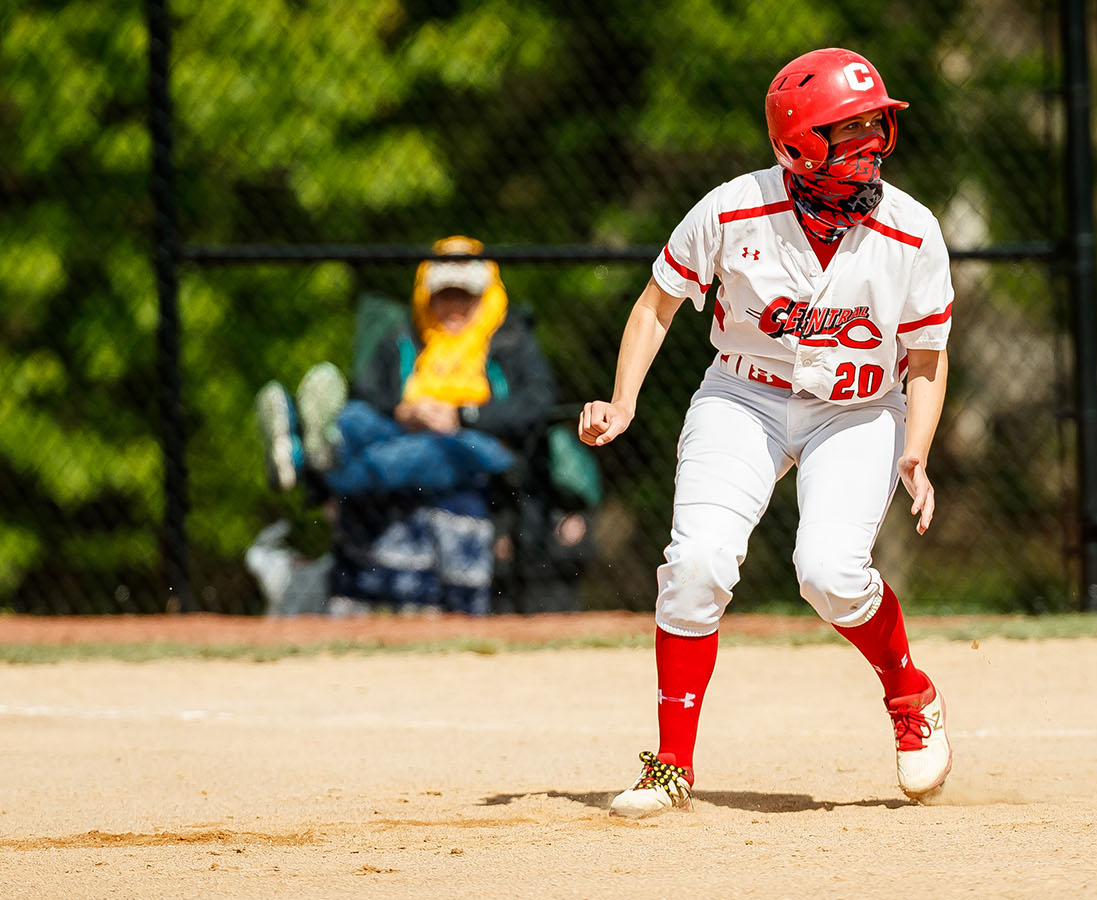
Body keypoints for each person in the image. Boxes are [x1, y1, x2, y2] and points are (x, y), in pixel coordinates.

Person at [578, 48, 956, 818]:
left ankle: (909, 692)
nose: (870, 142)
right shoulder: (732, 209)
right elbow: (655, 306)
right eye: (846, 129)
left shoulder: (912, 229)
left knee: (828, 573)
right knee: (697, 563)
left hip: (858, 409)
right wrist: (622, 402)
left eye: (875, 124)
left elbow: (925, 357)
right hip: (743, 396)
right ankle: (671, 767)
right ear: (797, 144)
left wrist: (916, 451)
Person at [255, 235, 557, 615]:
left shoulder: (512, 339)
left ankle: (303, 464)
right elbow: (368, 395)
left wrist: (460, 415)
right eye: (443, 295)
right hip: (404, 427)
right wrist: (404, 411)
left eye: (464, 296)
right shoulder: (404, 336)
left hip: (478, 442)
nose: (453, 306)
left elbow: (537, 405)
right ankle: (307, 447)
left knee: (422, 452)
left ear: (485, 296)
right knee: (354, 419)